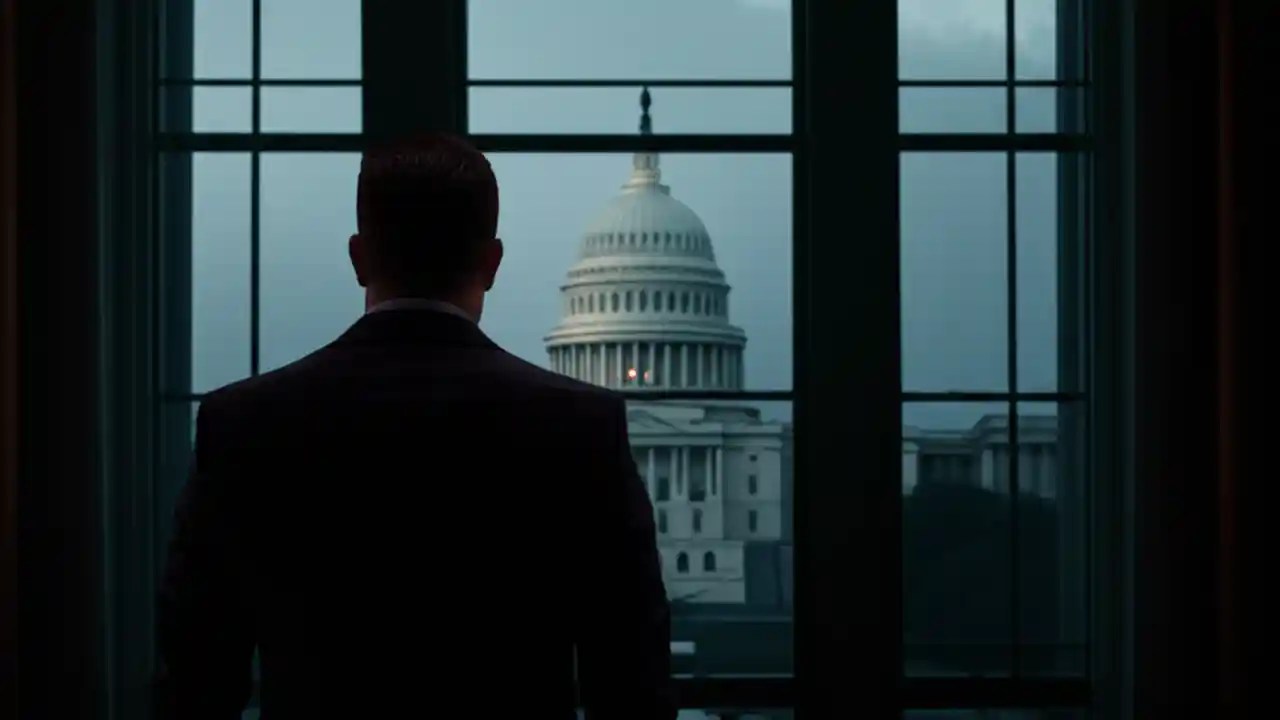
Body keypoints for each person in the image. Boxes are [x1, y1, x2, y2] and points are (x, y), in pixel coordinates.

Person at [156, 133, 675, 718]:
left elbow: (195, 677)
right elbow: (633, 682)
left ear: (358, 257)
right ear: (492, 262)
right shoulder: (582, 428)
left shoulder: (243, 424)